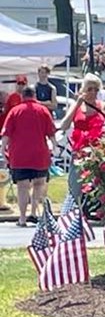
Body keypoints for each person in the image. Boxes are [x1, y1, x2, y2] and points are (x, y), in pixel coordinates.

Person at [1, 85, 58, 226]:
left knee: (23, 186)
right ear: (34, 96)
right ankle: (33, 212)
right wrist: (55, 147)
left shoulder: (15, 111)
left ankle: (22, 218)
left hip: (20, 155)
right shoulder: (43, 110)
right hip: (40, 154)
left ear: (22, 96)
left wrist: (3, 149)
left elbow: (6, 133)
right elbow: (51, 134)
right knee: (39, 183)